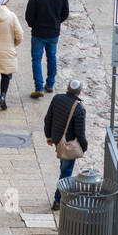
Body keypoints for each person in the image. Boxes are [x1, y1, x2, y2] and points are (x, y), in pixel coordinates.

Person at [44, 78, 88, 210]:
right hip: (68, 145)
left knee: (63, 168)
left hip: (58, 140)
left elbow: (48, 119)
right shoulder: (79, 108)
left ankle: (60, 197)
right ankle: (58, 200)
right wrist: (84, 147)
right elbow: (80, 132)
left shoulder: (57, 98)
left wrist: (49, 136)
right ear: (79, 93)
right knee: (66, 172)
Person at [25, 0, 69, 98]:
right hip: (53, 33)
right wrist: (56, 22)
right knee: (52, 57)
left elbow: (29, 15)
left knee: (36, 59)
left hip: (38, 33)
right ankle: (50, 83)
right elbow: (65, 14)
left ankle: (39, 87)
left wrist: (33, 25)